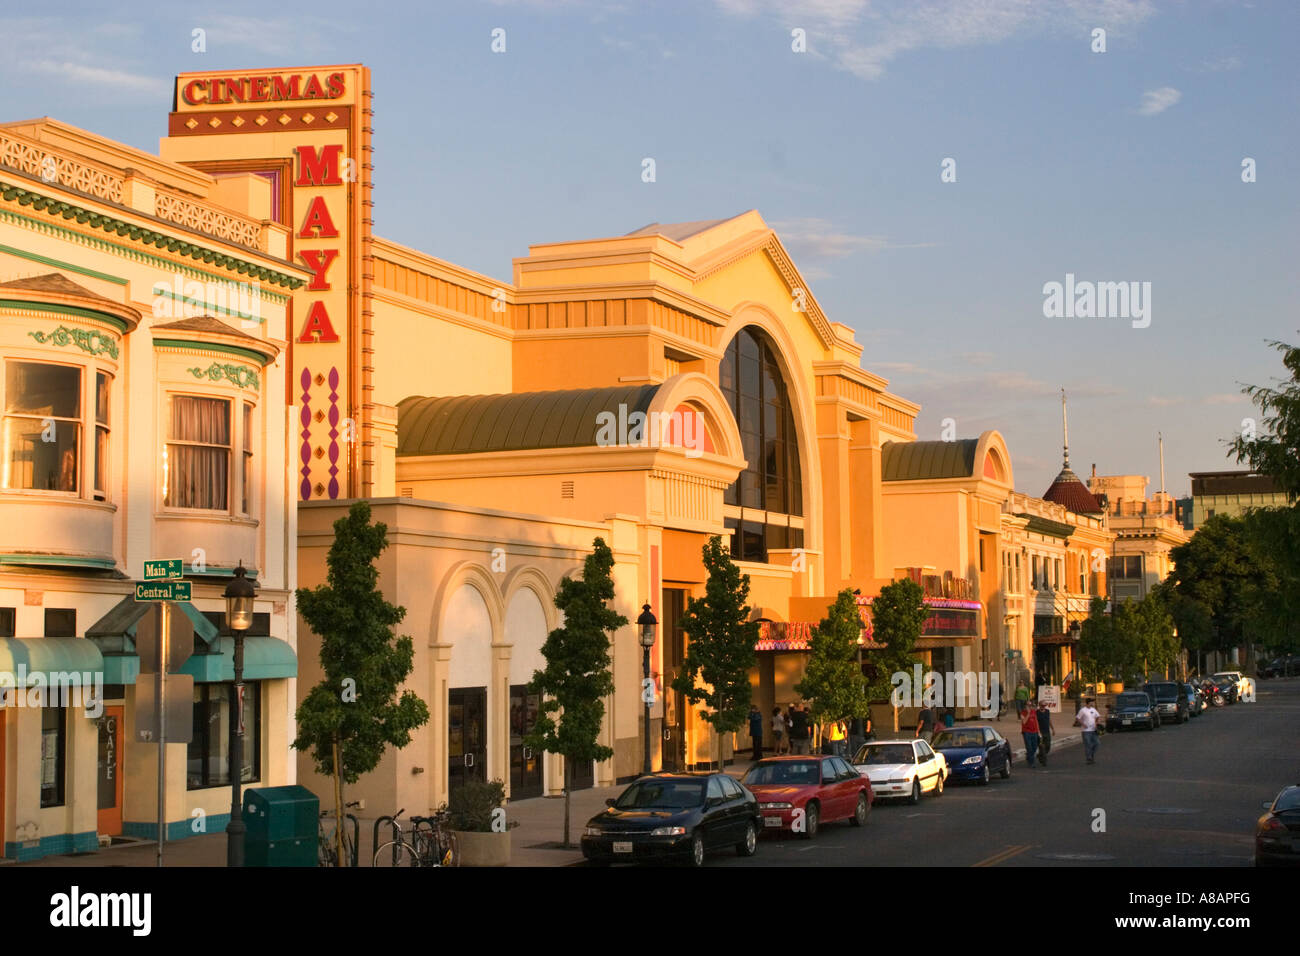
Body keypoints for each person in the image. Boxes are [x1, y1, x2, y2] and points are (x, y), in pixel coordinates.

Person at [1074, 696, 1102, 764]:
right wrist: (1083, 724)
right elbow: (1078, 718)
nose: (1092, 703)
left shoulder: (1093, 709)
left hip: (1093, 730)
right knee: (1088, 744)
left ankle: (1091, 754)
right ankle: (1089, 758)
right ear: (1088, 702)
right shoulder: (1083, 710)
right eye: (1091, 701)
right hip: (1086, 731)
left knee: (1097, 743)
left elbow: (1098, 716)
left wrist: (1097, 722)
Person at [1020, 701, 1040, 769]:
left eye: (1030, 705)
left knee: (1034, 746)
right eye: (1028, 705)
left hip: (1034, 731)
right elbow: (1024, 722)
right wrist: (1028, 713)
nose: (1029, 707)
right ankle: (1031, 763)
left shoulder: (1034, 712)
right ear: (1025, 706)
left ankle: (1029, 756)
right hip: (1026, 732)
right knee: (1029, 747)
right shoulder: (1023, 713)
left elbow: (1036, 721)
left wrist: (1038, 731)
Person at [1036, 698, 1053, 766]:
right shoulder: (1037, 712)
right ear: (1039, 705)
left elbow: (1049, 720)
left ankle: (1040, 755)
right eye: (1042, 705)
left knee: (1048, 747)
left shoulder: (1047, 711)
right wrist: (1038, 731)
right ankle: (1043, 761)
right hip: (1040, 732)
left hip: (1047, 731)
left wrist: (1053, 728)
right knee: (1042, 747)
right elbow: (1036, 722)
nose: (1043, 707)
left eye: (1044, 705)